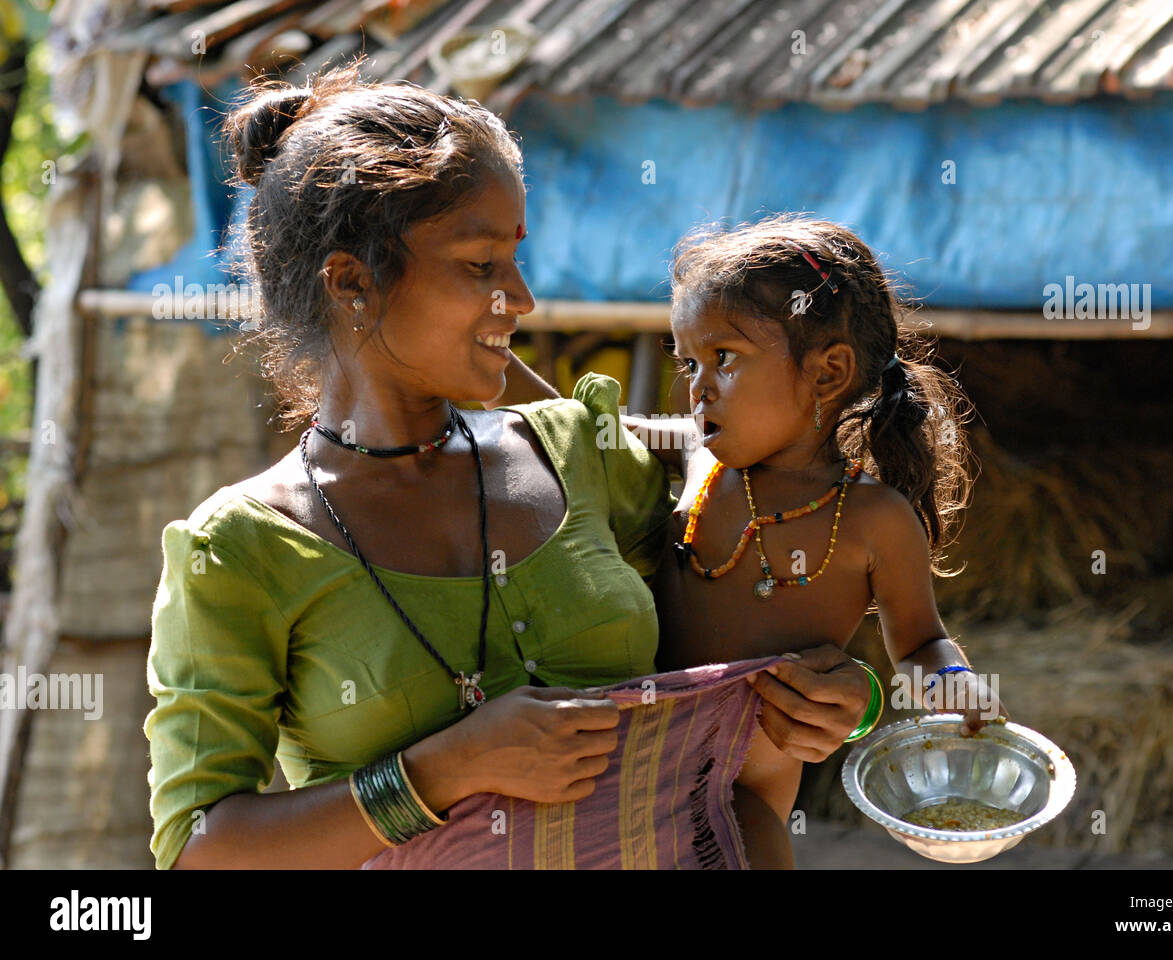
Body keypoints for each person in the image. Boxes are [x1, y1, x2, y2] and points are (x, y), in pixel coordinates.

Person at [144, 65, 871, 870]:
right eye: (481, 265)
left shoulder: (577, 455)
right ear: (352, 283)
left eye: (515, 261)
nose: (521, 298)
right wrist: (445, 768)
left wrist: (842, 699)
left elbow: (738, 642)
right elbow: (198, 849)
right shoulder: (245, 549)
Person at [500, 212, 1010, 868]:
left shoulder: (874, 520)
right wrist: (486, 351)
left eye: (724, 358)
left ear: (827, 373)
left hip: (742, 789)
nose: (696, 387)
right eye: (688, 362)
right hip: (629, 764)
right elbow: (569, 432)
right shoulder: (694, 457)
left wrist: (956, 687)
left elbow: (920, 640)